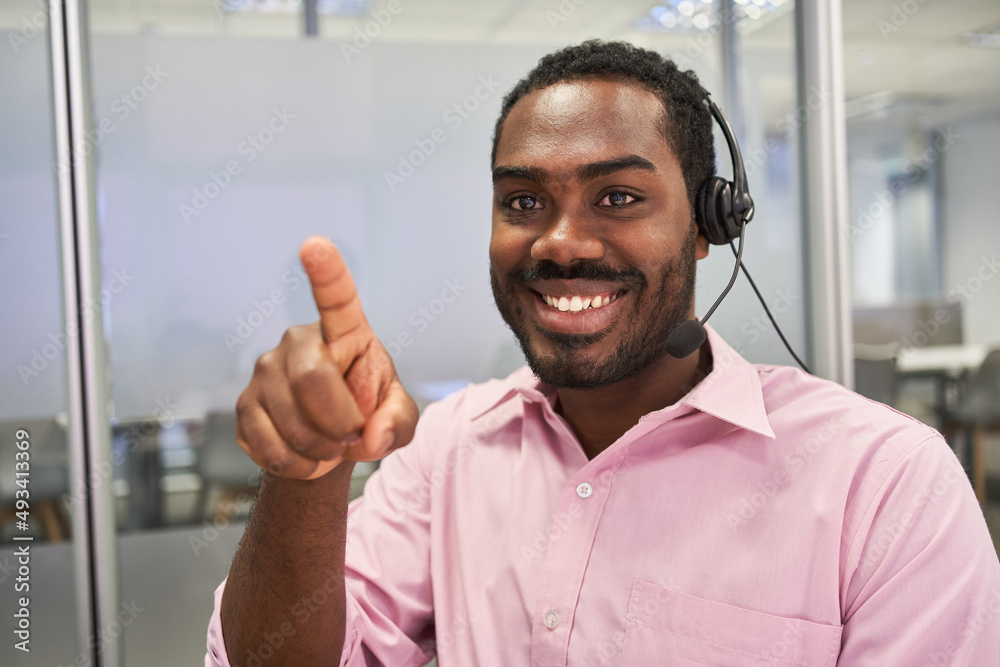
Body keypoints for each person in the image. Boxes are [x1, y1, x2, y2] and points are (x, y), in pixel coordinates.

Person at [206, 41, 1000, 666]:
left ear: (705, 226)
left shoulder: (887, 484)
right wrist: (307, 473)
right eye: (524, 201)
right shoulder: (446, 453)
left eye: (617, 197)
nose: (559, 241)